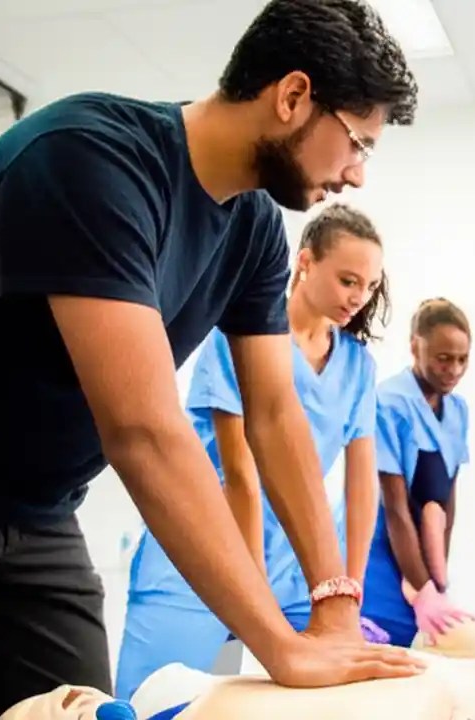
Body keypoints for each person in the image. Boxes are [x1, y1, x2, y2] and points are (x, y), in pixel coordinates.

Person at [0, 0, 422, 713]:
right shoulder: (89, 160)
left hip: (42, 511)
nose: (356, 174)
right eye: (357, 143)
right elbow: (143, 432)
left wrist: (334, 603)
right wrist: (280, 646)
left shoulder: (253, 230)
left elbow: (274, 414)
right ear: (293, 96)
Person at [114, 204, 391, 698]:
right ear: (305, 262)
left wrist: (346, 595)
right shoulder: (241, 337)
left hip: (294, 573)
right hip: (198, 555)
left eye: (370, 287)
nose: (359, 297)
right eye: (348, 280)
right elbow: (239, 473)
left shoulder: (357, 366)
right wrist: (256, 602)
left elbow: (361, 488)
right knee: (151, 702)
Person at [362, 298, 475, 647]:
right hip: (376, 557)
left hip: (420, 561)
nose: (454, 370)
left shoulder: (457, 410)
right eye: (444, 358)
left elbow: (445, 503)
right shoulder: (389, 402)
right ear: (415, 347)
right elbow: (395, 507)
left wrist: (437, 581)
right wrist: (422, 587)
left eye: (462, 359)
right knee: (378, 649)